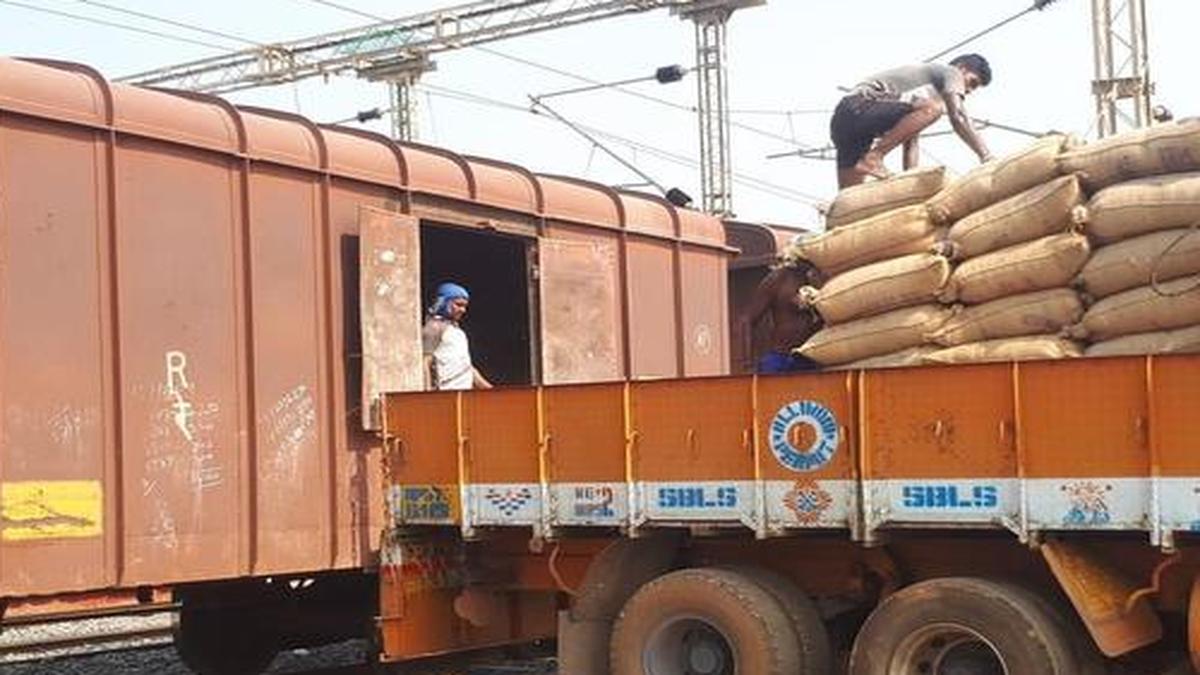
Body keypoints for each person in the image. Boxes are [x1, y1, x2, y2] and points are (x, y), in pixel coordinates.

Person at [830, 54, 994, 189]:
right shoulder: (951, 72)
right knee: (935, 109)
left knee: (849, 197)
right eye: (972, 82)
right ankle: (874, 158)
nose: (969, 91)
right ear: (962, 68)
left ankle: (870, 161)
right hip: (861, 105)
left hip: (845, 122)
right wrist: (986, 157)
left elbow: (910, 140)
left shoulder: (920, 98)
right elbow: (959, 116)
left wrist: (911, 184)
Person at [738, 257, 824, 374]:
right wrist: (747, 364)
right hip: (779, 358)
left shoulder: (823, 280)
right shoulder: (779, 279)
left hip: (810, 357)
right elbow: (747, 320)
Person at [422, 282, 493, 391]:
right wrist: (427, 396)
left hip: (464, 394)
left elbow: (466, 368)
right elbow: (425, 362)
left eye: (464, 306)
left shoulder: (458, 332)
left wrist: (489, 389)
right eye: (458, 305)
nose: (463, 310)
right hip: (444, 394)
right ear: (443, 302)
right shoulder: (434, 327)